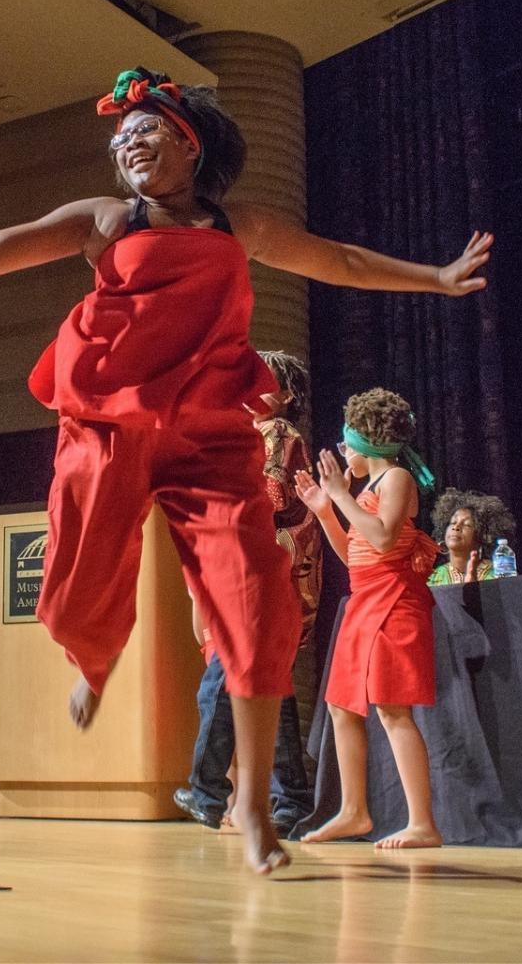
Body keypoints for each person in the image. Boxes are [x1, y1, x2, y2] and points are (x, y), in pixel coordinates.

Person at [0, 67, 493, 873]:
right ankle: (92, 663)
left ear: (189, 145)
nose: (128, 144)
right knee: (72, 588)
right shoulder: (103, 218)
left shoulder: (235, 227)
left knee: (257, 604)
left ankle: (249, 803)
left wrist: (435, 278)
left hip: (207, 433)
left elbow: (336, 259)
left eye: (146, 132)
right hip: (111, 424)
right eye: (120, 137)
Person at [174, 351, 318, 835]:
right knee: (265, 687)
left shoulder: (276, 433)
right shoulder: (258, 433)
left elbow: (269, 497)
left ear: (287, 395)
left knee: (223, 681)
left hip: (262, 574)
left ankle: (209, 791)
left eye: (264, 380)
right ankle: (290, 799)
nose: (250, 386)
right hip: (260, 572)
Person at [297, 388, 445, 849]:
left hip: (395, 601)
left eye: (346, 445)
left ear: (364, 443)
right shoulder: (365, 490)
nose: (344, 454)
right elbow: (355, 555)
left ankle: (422, 823)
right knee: (342, 706)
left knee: (392, 709)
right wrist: (326, 511)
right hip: (365, 600)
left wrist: (340, 496)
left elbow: (383, 541)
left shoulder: (397, 479)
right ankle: (353, 811)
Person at [426, 490, 516, 586]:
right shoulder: (435, 577)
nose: (456, 527)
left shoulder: (498, 573)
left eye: (467, 525)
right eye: (452, 522)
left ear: (481, 536)